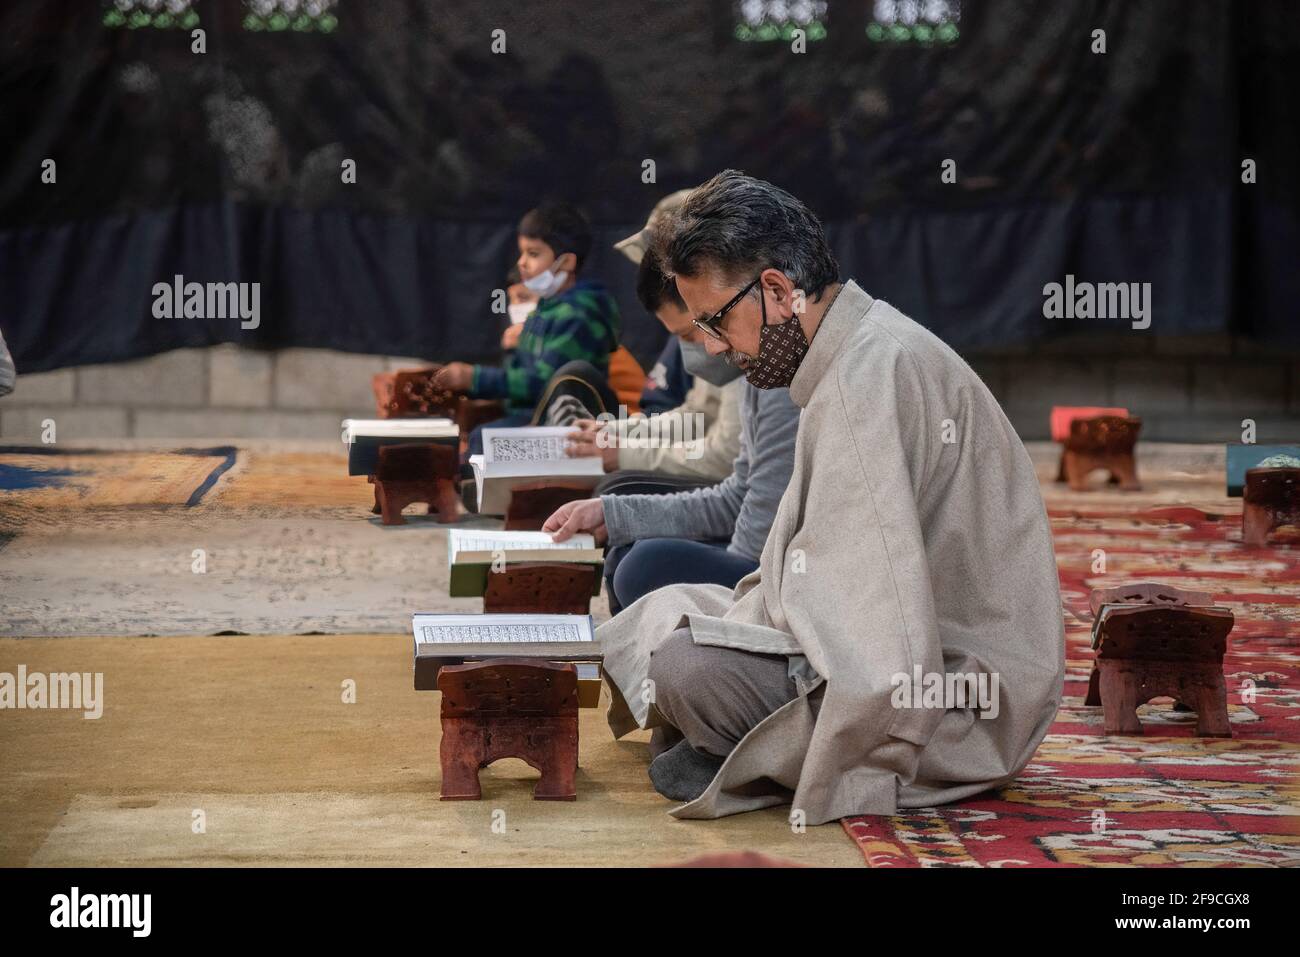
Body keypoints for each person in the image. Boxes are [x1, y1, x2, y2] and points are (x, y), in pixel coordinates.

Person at [583, 170, 1064, 823]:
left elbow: (880, 628)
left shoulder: (865, 378)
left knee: (685, 665)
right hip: (902, 647)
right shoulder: (851, 352)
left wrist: (858, 764)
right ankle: (735, 745)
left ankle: (746, 751)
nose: (717, 347)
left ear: (777, 289)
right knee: (669, 609)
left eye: (716, 322)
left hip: (957, 696)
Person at [544, 251, 800, 617]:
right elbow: (726, 473)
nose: (709, 345)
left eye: (706, 324)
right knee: (629, 543)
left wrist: (625, 453)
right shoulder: (756, 362)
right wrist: (612, 510)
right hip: (755, 552)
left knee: (641, 561)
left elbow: (723, 464)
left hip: (777, 575)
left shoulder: (774, 373)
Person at [432, 201, 620, 456]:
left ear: (566, 262)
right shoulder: (547, 307)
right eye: (522, 253)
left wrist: (473, 377)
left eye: (533, 253)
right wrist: (513, 350)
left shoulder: (578, 314)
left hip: (562, 424)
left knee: (481, 441)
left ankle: (465, 496)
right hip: (530, 414)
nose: (521, 263)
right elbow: (523, 380)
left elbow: (541, 384)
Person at [566, 253, 743, 490]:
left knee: (618, 489)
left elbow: (724, 459)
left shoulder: (746, 358)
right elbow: (697, 417)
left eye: (693, 331)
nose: (710, 346)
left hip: (731, 493)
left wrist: (625, 454)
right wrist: (614, 431)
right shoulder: (720, 354)